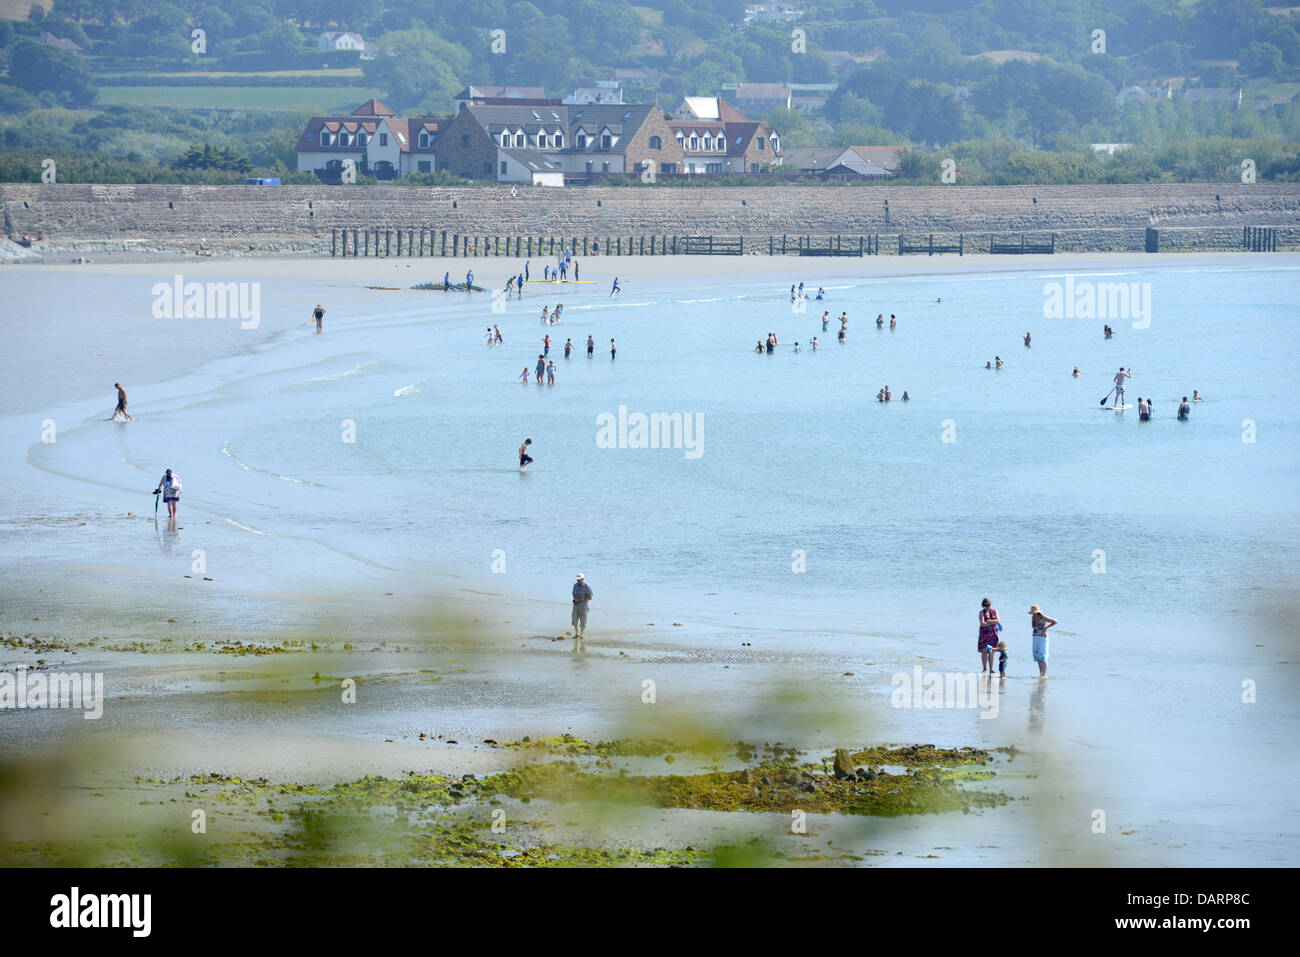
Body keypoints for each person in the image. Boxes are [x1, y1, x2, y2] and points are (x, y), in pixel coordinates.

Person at [1029, 605, 1058, 677]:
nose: (1033, 613)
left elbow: (1055, 621)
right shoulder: (1033, 617)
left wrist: (1046, 628)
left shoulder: (1043, 617)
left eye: (1034, 612)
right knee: (1037, 655)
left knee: (1043, 655)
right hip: (1035, 636)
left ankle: (1045, 674)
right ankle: (1041, 674)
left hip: (1042, 637)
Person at [978, 598, 1000, 676]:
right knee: (984, 651)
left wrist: (988, 621)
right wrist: (991, 623)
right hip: (984, 634)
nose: (988, 606)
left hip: (993, 634)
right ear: (983, 605)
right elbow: (982, 623)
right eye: (986, 605)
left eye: (989, 604)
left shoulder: (995, 611)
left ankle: (991, 669)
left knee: (991, 651)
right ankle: (984, 669)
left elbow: (998, 621)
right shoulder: (981, 613)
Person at [571, 573, 593, 640]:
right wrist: (575, 598)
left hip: (584, 605)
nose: (578, 581)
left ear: (583, 579)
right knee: (574, 619)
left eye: (579, 580)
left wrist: (580, 599)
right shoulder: (575, 585)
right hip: (576, 605)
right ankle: (576, 634)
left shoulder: (587, 586)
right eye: (577, 579)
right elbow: (573, 594)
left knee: (583, 621)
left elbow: (590, 597)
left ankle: (582, 634)